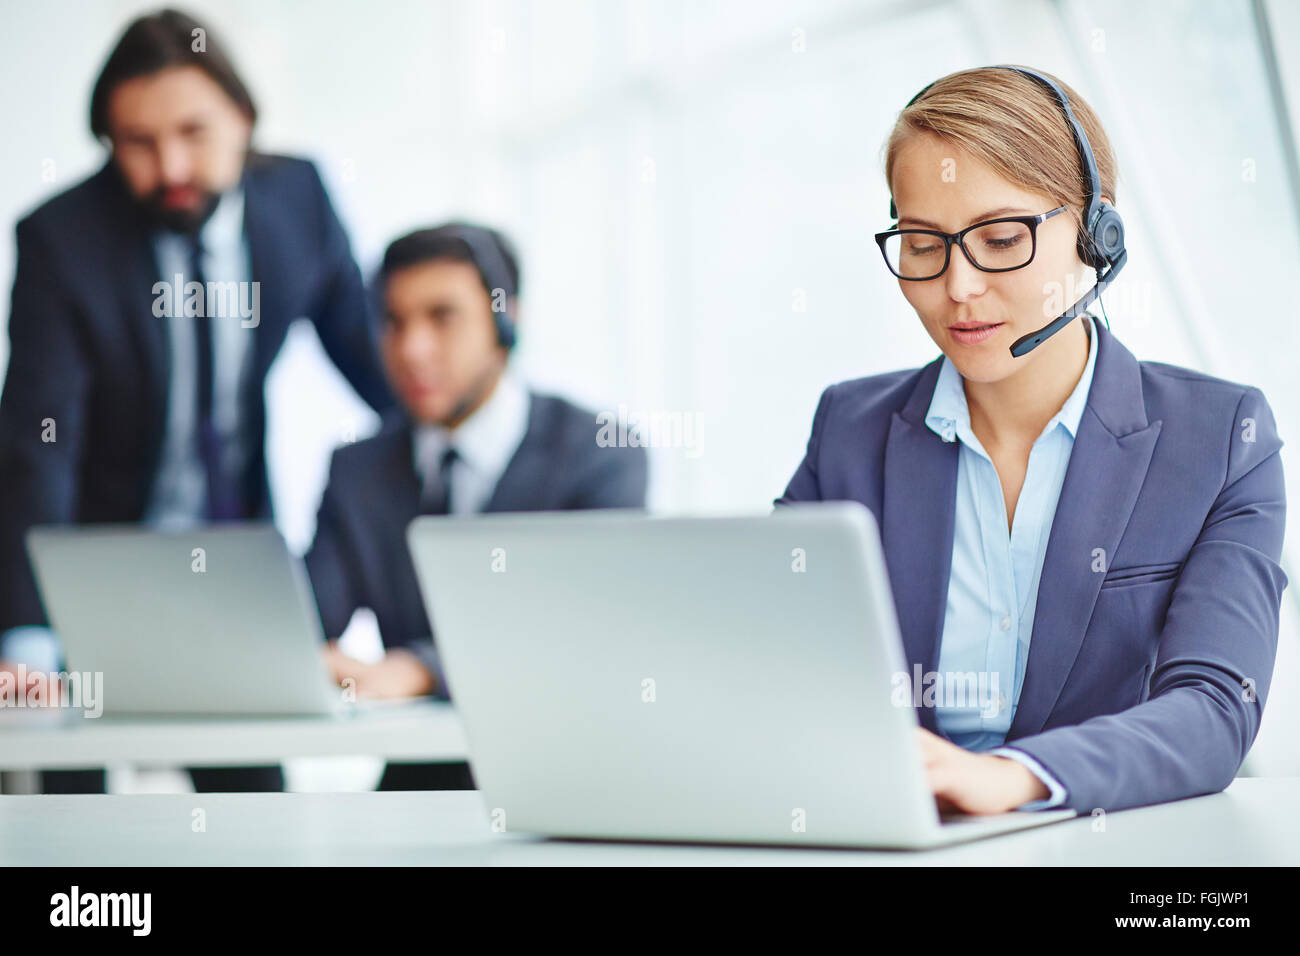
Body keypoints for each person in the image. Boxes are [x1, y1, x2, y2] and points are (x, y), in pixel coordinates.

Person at [776, 65, 1287, 815]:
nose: (959, 287)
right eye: (923, 245)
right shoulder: (848, 432)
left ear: (1097, 233)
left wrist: (1013, 776)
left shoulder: (1221, 441)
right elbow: (769, 664)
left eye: (1001, 238)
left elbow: (1215, 708)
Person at [0, 9, 394, 793]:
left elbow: (373, 365)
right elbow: (38, 444)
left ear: (243, 119)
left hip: (235, 564)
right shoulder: (61, 239)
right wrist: (29, 636)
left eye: (192, 131)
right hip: (96, 563)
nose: (170, 164)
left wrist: (458, 439)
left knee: (255, 801)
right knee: (69, 811)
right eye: (138, 144)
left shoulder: (298, 200)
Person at [306, 222, 648, 790]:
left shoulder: (598, 454)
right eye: (393, 322)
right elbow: (312, 617)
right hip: (419, 783)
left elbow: (587, 629)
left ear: (506, 319)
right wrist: (298, 656)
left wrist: (421, 668)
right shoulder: (359, 469)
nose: (411, 349)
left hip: (570, 778)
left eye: (442, 317)